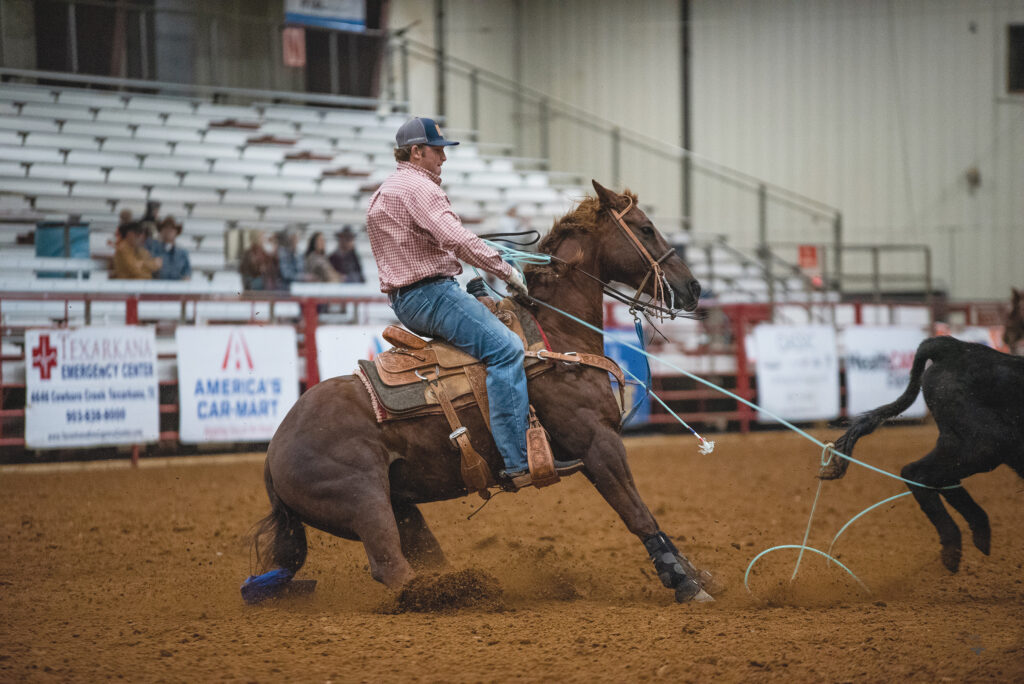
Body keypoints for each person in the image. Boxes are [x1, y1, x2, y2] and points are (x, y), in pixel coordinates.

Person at [365, 116, 581, 489]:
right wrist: (507, 271)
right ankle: (518, 460)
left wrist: (474, 282)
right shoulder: (419, 188)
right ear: (416, 152)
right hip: (429, 294)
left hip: (416, 295)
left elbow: (432, 249)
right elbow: (457, 240)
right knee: (506, 350)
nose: (443, 159)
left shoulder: (388, 190)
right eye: (437, 151)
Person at [146, 216, 192, 280]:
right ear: (161, 231)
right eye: (165, 228)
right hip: (156, 287)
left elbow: (187, 273)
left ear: (176, 232)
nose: (168, 231)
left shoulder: (183, 253)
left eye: (172, 229)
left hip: (176, 287)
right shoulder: (152, 249)